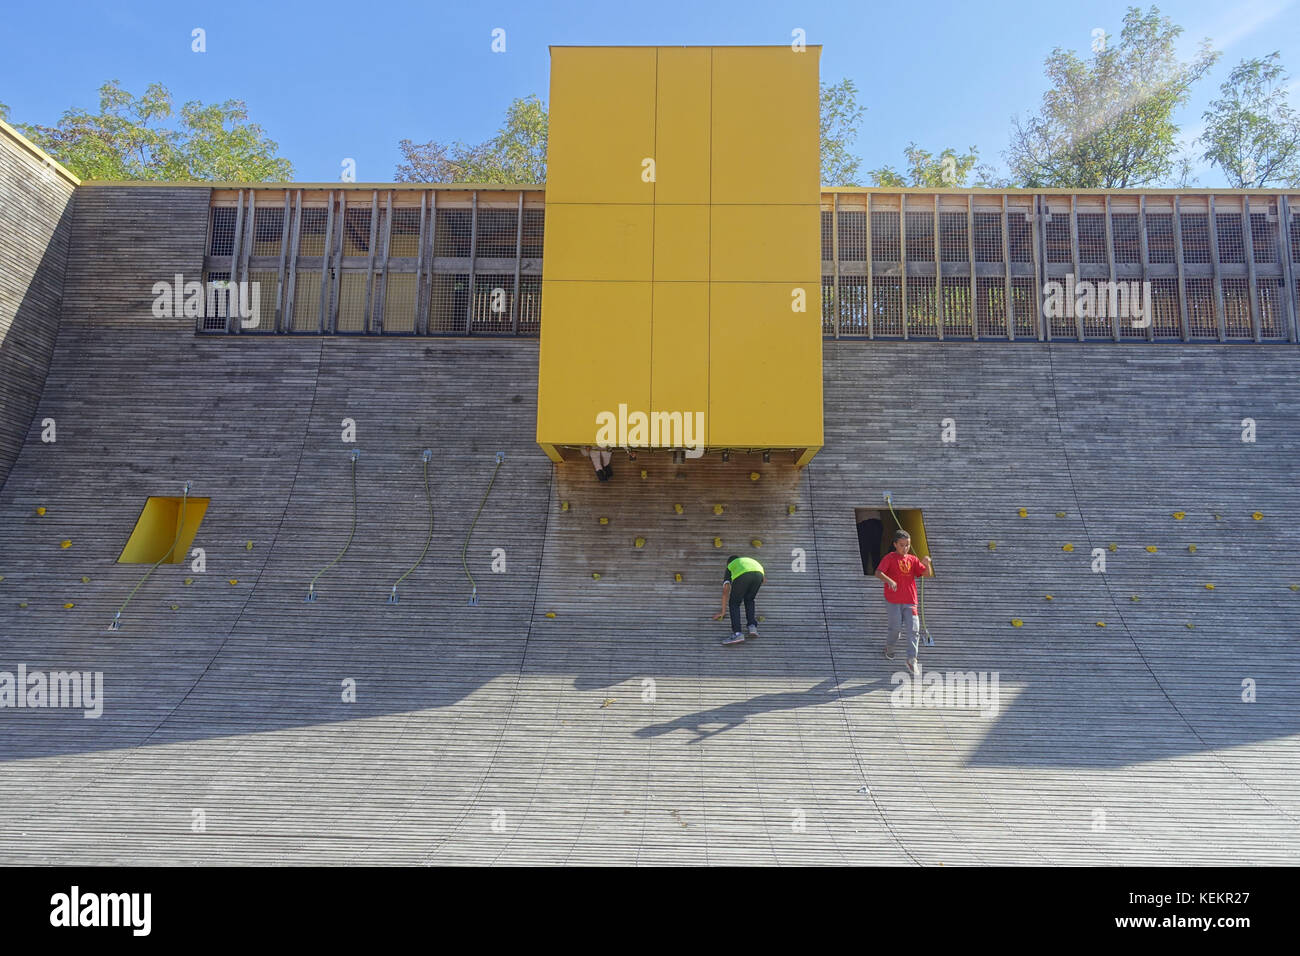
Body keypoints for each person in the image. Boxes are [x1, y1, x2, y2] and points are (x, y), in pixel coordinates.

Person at [874, 530, 933, 676]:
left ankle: (912, 659)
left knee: (914, 629)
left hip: (910, 600)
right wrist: (890, 580)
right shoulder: (890, 558)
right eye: (902, 545)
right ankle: (889, 647)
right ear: (895, 544)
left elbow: (926, 573)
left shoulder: (912, 559)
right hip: (893, 600)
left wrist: (927, 563)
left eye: (907, 545)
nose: (905, 548)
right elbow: (878, 572)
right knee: (895, 629)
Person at [713, 555, 765, 646]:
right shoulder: (749, 560)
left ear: (728, 563)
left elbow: (726, 591)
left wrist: (723, 612)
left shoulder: (730, 566)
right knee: (749, 599)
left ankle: (738, 634)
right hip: (759, 573)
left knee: (734, 603)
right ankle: (752, 627)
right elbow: (764, 580)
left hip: (743, 576)